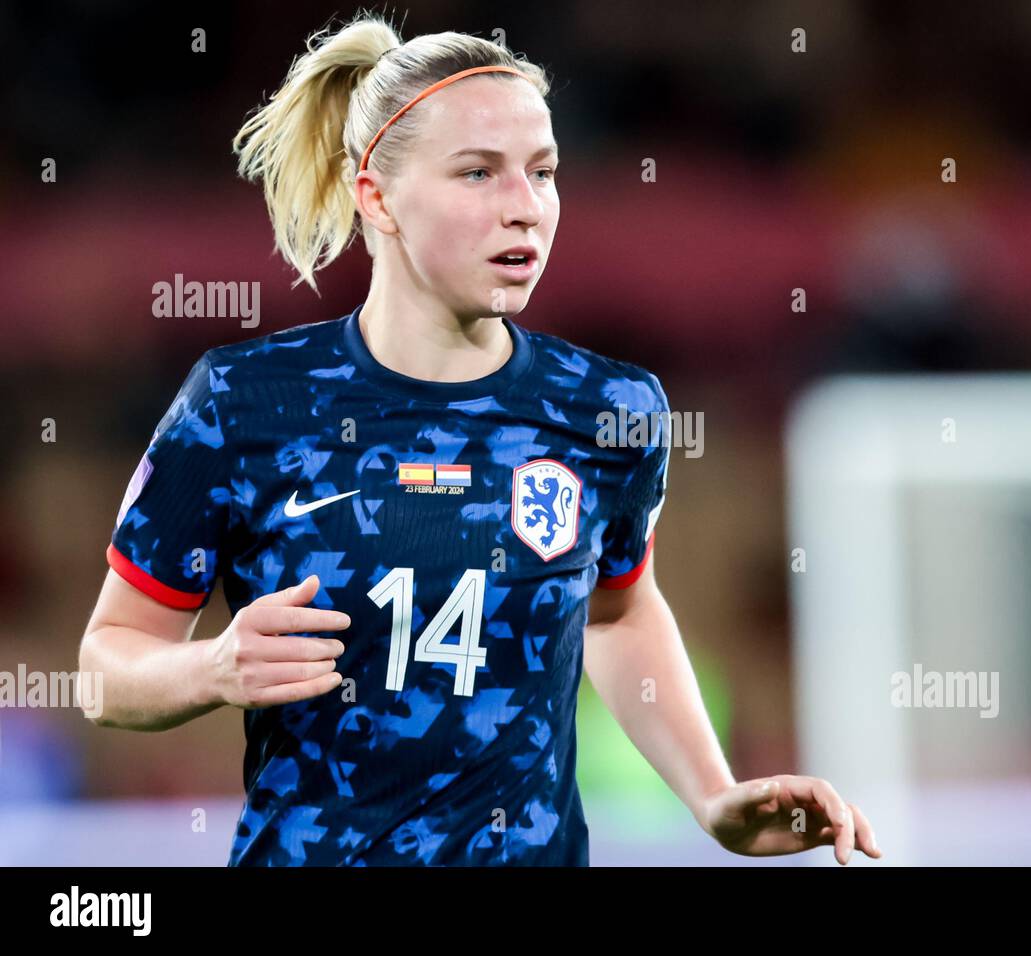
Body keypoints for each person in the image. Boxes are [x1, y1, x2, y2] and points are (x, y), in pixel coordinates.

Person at [79, 13, 882, 866]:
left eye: (543, 172)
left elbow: (617, 611)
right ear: (377, 196)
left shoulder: (609, 410)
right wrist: (211, 670)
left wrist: (714, 796)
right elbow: (103, 669)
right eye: (478, 172)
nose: (525, 208)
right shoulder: (244, 402)